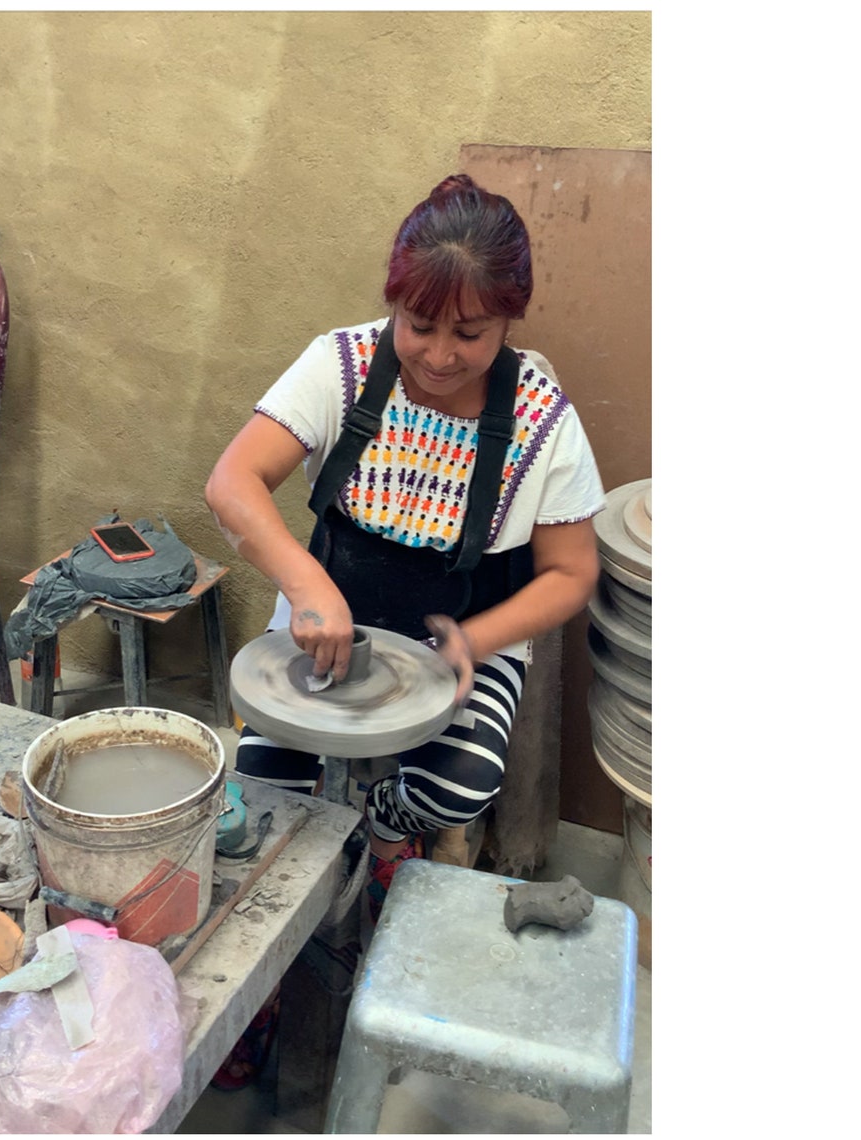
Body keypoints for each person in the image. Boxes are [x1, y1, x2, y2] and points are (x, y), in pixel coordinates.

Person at [204, 171, 605, 1089]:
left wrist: (476, 642)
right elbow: (232, 482)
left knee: (459, 783)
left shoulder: (540, 417)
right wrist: (306, 581)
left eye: (470, 333)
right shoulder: (343, 364)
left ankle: (384, 840)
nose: (439, 354)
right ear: (395, 302)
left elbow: (571, 573)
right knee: (263, 798)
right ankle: (261, 986)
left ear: (509, 320)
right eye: (420, 325)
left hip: (456, 640)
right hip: (325, 624)